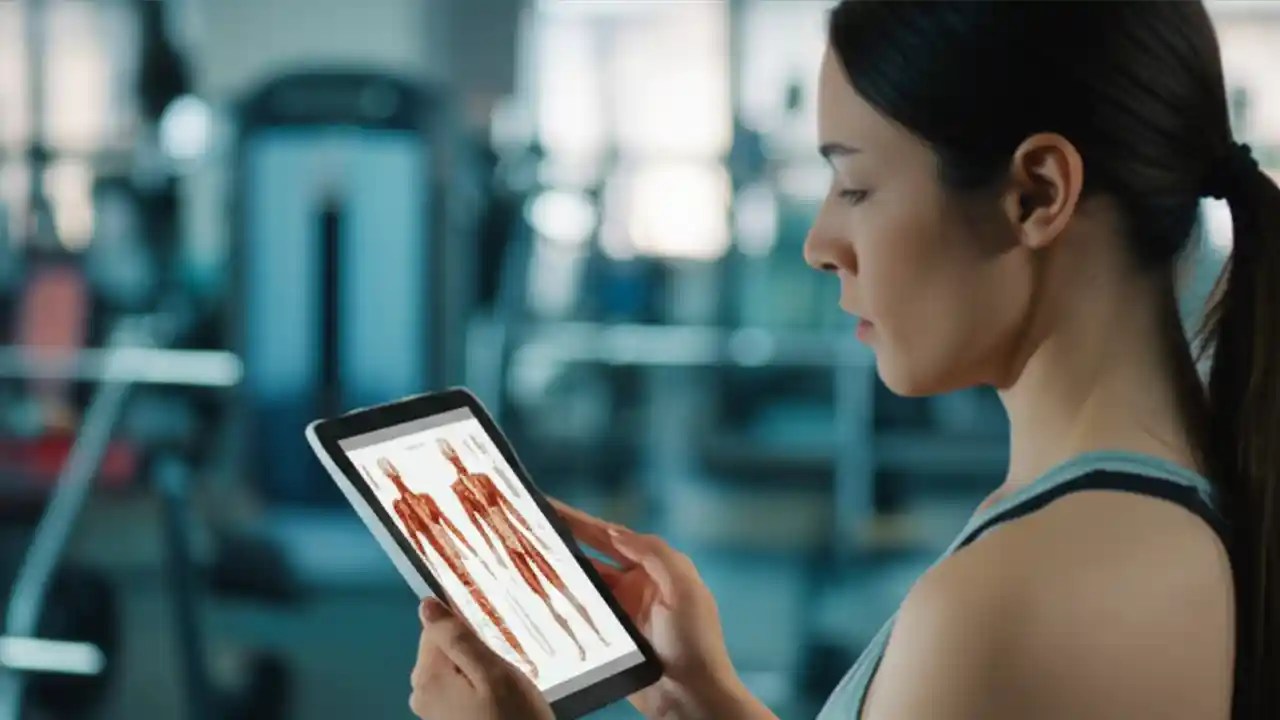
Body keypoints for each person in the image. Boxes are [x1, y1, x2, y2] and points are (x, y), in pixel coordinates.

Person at [405, 3, 1280, 719]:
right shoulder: (1141, 508)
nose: (822, 243)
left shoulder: (1012, 598)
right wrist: (699, 703)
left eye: (856, 186)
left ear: (1036, 194)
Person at [439, 438, 609, 660]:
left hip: (521, 538)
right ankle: (578, 644)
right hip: (507, 545)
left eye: (453, 450)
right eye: (448, 453)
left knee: (561, 587)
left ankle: (598, 635)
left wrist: (535, 533)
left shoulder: (484, 479)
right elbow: (477, 523)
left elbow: (509, 507)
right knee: (544, 597)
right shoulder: (459, 489)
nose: (454, 456)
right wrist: (496, 553)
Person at [376, 457, 539, 679]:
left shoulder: (425, 497)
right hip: (444, 559)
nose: (395, 477)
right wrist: (429, 565)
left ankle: (522, 654)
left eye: (394, 471)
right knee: (478, 608)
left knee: (490, 602)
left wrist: (471, 549)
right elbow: (415, 538)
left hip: (457, 554)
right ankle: (516, 658)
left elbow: (448, 525)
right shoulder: (400, 505)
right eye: (390, 473)